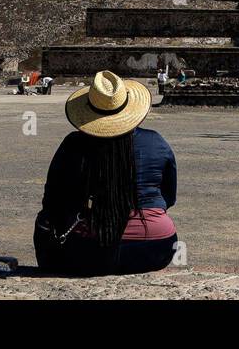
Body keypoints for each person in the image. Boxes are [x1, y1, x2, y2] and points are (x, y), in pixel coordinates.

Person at [34, 71, 179, 276]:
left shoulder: (74, 144)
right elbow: (168, 198)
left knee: (44, 221)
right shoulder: (156, 141)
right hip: (157, 246)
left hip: (89, 249)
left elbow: (52, 200)